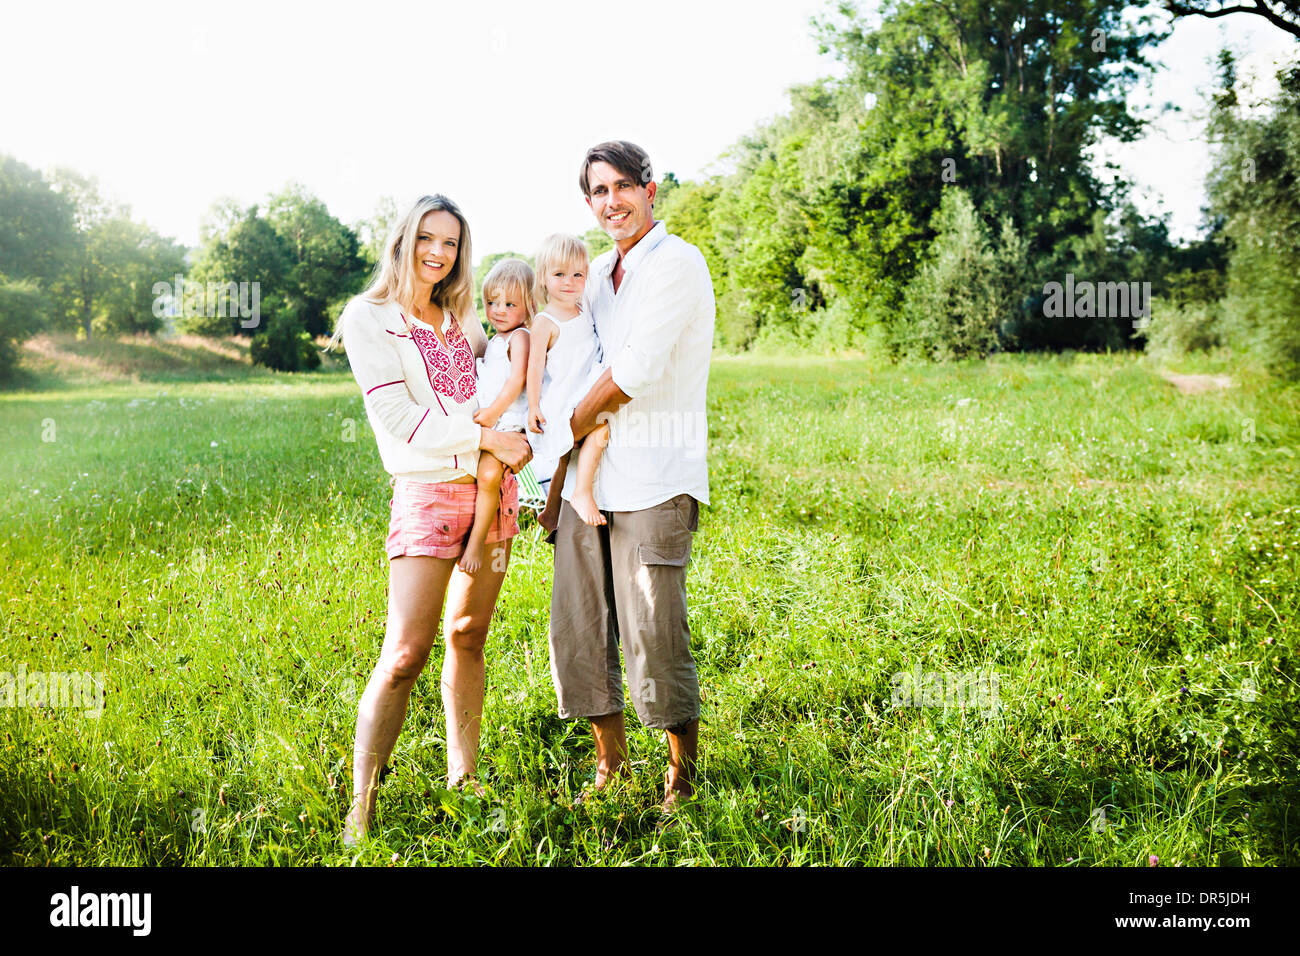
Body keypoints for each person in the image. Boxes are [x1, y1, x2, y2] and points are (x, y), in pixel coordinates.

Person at [328, 194, 532, 844]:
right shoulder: (369, 317)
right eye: (428, 238)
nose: (438, 253)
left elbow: (497, 386)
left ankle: (463, 777)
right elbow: (398, 419)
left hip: (493, 495)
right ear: (405, 239)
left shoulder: (462, 320)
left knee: (468, 635)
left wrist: (510, 445)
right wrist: (487, 443)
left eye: (450, 243)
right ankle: (361, 803)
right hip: (428, 495)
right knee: (406, 652)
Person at [546, 142, 714, 813]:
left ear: (650, 191)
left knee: (653, 636)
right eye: (598, 192)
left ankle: (682, 775)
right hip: (589, 483)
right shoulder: (596, 278)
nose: (611, 202)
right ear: (587, 202)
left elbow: (633, 374)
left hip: (653, 477)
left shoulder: (675, 264)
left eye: (623, 187)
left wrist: (563, 433)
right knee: (580, 630)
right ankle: (610, 764)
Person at [526, 233, 610, 528]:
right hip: (566, 395)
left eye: (578, 274)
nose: (569, 281)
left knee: (565, 455)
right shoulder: (546, 322)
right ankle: (582, 491)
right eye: (559, 274)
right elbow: (534, 367)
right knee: (600, 428)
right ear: (544, 277)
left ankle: (550, 511)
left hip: (587, 382)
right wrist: (533, 406)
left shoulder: (583, 307)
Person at [461, 258, 533, 574]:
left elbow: (517, 380)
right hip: (492, 420)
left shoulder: (521, 338)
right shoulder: (494, 341)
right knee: (477, 474)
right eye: (492, 302)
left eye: (509, 303)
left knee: (489, 477)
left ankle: (476, 544)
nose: (498, 310)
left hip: (508, 421)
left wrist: (492, 412)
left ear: (529, 306)